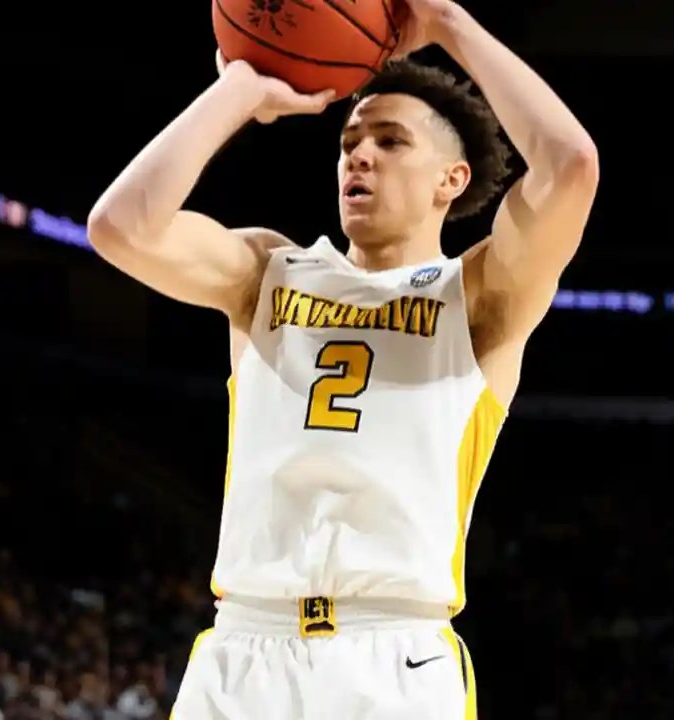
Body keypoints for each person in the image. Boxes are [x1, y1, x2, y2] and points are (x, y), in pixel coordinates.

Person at [86, 0, 599, 717]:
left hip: (393, 655)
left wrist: (449, 22)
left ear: (450, 180)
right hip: (244, 647)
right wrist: (237, 88)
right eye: (349, 141)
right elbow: (118, 227)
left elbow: (572, 166)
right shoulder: (269, 270)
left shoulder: (478, 297)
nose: (357, 154)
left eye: (390, 142)